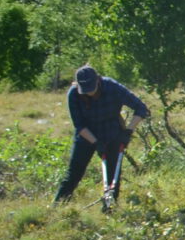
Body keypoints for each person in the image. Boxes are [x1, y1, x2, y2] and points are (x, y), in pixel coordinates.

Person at [55, 64, 151, 204]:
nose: (89, 93)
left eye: (91, 89)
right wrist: (96, 143)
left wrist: (128, 131)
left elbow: (141, 108)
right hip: (86, 135)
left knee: (113, 176)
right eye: (85, 91)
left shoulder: (112, 87)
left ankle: (109, 208)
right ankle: (58, 207)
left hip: (112, 132)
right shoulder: (74, 94)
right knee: (73, 174)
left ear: (98, 80)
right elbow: (79, 125)